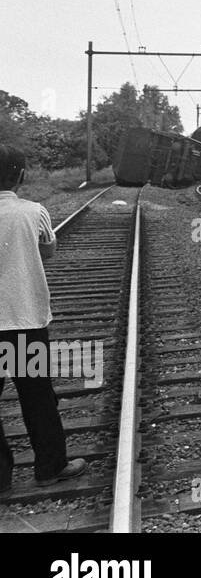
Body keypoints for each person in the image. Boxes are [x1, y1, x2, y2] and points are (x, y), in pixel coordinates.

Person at [0, 145, 86, 495]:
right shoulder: (33, 212)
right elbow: (48, 251)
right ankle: (49, 467)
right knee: (37, 396)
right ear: (20, 175)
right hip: (23, 322)